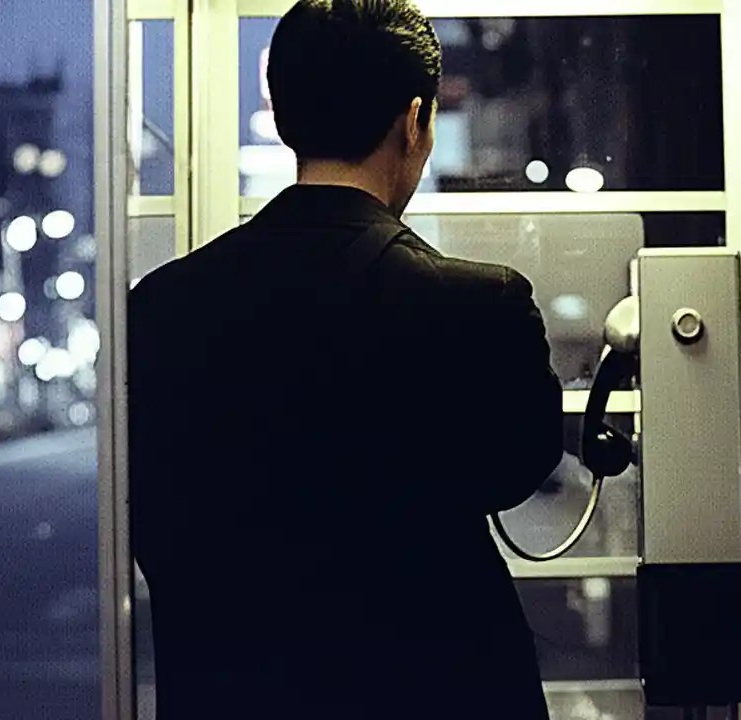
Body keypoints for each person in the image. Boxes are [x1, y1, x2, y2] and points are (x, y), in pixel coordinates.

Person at [127, 1, 563, 717]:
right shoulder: (478, 305)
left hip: (234, 693)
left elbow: (151, 518)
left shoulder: (163, 307)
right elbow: (521, 467)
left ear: (283, 113)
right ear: (415, 120)